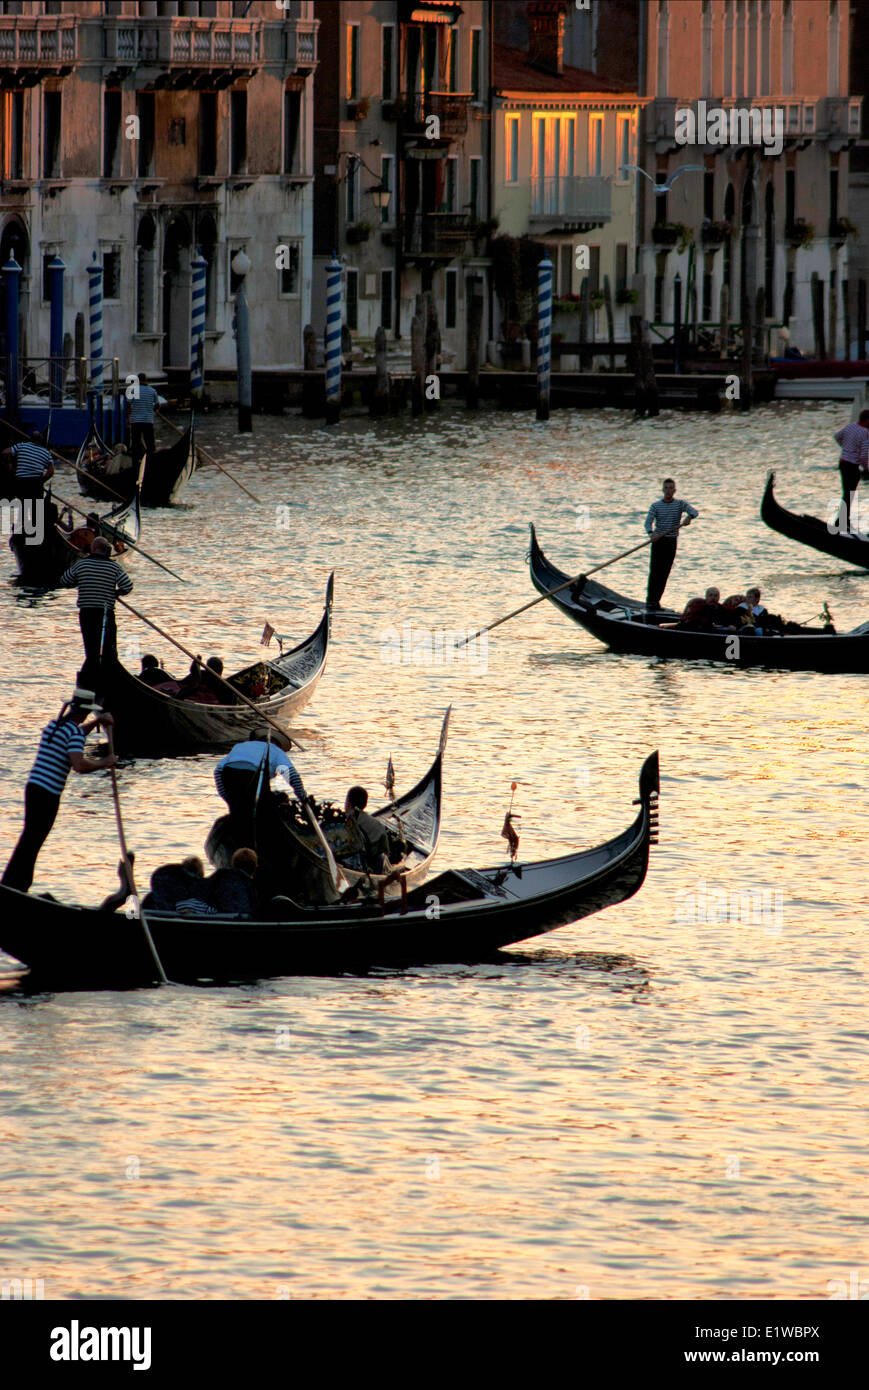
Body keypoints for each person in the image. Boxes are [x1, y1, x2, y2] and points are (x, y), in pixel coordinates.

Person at [2, 688, 117, 893]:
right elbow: (79, 765)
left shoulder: (55, 726)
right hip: (48, 794)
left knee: (29, 838)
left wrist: (97, 723)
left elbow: (76, 734)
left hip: (34, 788)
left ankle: (14, 883)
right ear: (85, 712)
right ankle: (17, 886)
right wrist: (105, 762)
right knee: (33, 840)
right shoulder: (73, 733)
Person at [60, 537, 133, 691]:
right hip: (106, 613)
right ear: (106, 550)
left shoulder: (81, 565)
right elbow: (127, 586)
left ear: (92, 550)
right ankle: (107, 682)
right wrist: (116, 593)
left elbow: (65, 581)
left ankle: (89, 683)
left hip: (87, 614)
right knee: (108, 650)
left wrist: (80, 581)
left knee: (91, 650)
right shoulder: (114, 567)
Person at [214, 733, 306, 845]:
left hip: (229, 775)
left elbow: (218, 771)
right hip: (253, 775)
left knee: (239, 810)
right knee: (275, 802)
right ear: (278, 745)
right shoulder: (277, 751)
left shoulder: (240, 746)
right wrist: (302, 796)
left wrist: (228, 799)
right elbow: (289, 774)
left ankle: (242, 838)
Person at [645, 478, 699, 611]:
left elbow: (694, 512)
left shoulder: (680, 504)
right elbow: (647, 523)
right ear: (663, 490)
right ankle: (650, 601)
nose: (669, 491)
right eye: (666, 488)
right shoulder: (655, 506)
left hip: (671, 542)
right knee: (655, 572)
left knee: (664, 573)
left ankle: (656, 601)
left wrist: (688, 518)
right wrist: (652, 534)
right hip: (658, 541)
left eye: (671, 488)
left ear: (674, 490)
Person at [833, 409, 869, 532]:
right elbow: (864, 454)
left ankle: (843, 521)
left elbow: (837, 436)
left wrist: (846, 448)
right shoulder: (864, 432)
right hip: (852, 466)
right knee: (850, 494)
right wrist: (866, 468)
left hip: (843, 463)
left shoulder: (850, 426)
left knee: (846, 493)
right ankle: (841, 522)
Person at [344, 786, 391, 873]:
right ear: (365, 804)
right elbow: (385, 853)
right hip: (369, 869)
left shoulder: (340, 824)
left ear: (348, 804)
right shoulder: (377, 825)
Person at [1, 429, 55, 501]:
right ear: (41, 441)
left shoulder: (22, 445)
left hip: (22, 483)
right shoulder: (46, 452)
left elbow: (5, 452)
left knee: (24, 509)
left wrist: (9, 464)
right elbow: (50, 472)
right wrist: (41, 481)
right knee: (38, 511)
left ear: (30, 439)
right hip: (37, 485)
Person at [126, 372, 166, 465]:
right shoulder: (152, 391)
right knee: (150, 444)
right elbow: (157, 405)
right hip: (148, 420)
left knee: (135, 443)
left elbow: (128, 405)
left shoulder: (133, 390)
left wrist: (128, 418)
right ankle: (151, 462)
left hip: (136, 421)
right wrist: (154, 409)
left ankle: (135, 463)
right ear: (146, 380)